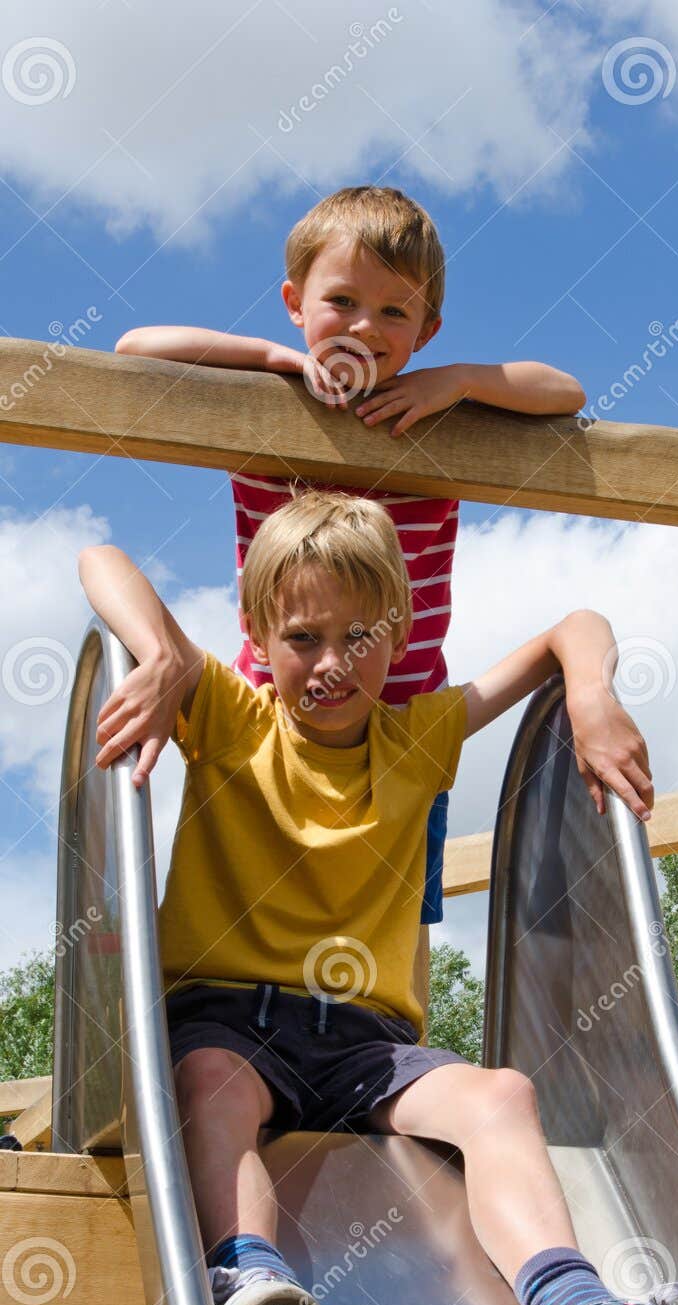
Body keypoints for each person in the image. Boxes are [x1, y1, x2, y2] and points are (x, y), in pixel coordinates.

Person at [78, 488, 678, 1305]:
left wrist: (591, 694)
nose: (331, 664)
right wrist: (163, 658)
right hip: (234, 1019)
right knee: (209, 1081)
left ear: (397, 638)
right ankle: (248, 1278)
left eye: (360, 638)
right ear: (255, 633)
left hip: (370, 1046)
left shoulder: (421, 741)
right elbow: (100, 559)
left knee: (499, 1097)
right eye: (303, 638)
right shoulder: (233, 720)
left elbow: (576, 624)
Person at [114, 181, 587, 944]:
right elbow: (135, 350)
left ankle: (397, 1036)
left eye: (394, 311)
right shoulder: (269, 399)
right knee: (261, 886)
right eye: (340, 302)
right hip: (277, 709)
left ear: (426, 330)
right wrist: (271, 358)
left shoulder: (434, 414)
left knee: (400, 917)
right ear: (295, 301)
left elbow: (565, 391)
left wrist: (460, 381)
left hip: (403, 723)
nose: (365, 327)